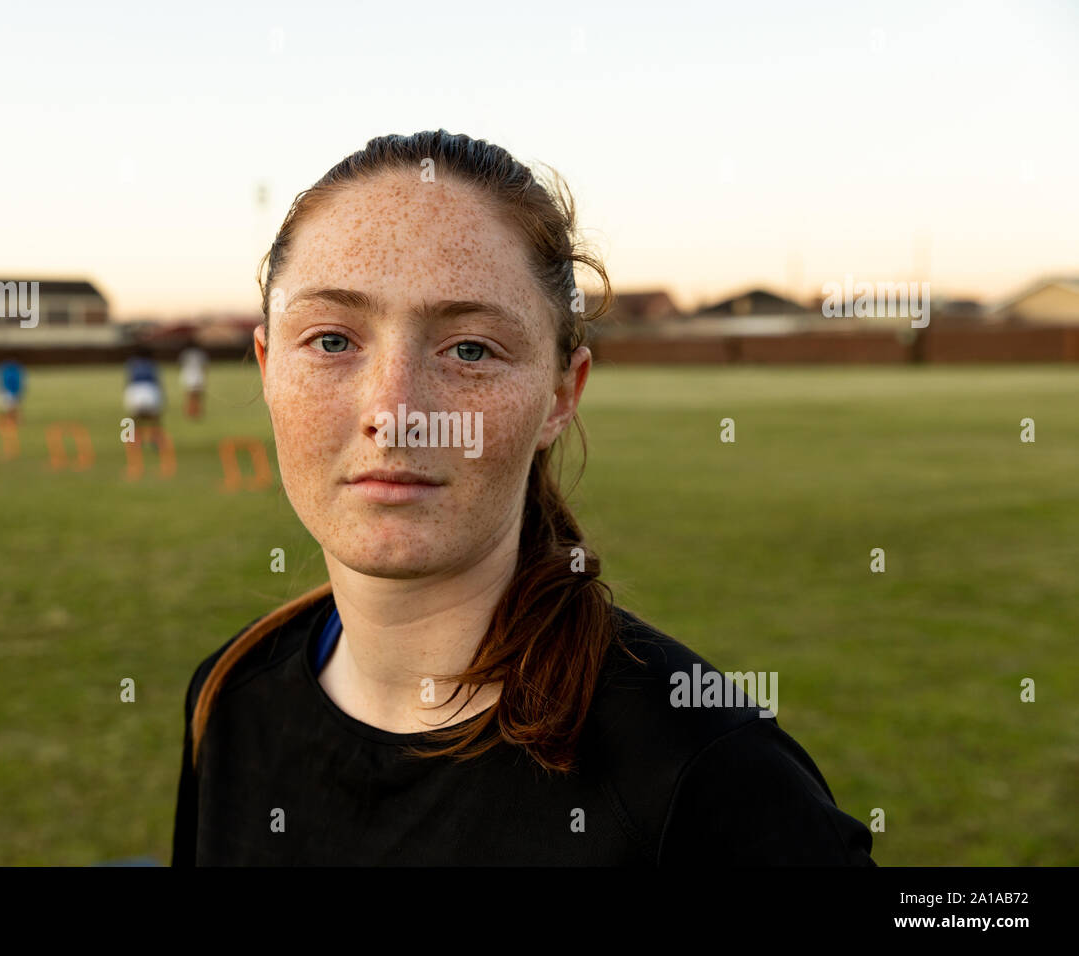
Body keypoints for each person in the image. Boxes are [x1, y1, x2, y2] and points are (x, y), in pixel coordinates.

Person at [172, 130, 876, 866]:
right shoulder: (230, 695)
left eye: (470, 349)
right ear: (265, 368)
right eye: (330, 341)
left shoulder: (705, 777)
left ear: (559, 396)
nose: (396, 411)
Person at [123, 346, 164, 444]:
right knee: (154, 417)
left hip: (135, 390)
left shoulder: (132, 363)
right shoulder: (152, 364)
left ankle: (135, 439)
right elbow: (157, 381)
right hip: (150, 390)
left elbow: (128, 380)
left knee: (135, 416)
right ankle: (155, 438)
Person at [177, 345, 207, 419]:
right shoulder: (200, 353)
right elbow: (205, 365)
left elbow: (180, 364)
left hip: (188, 374)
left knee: (189, 395)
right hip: (197, 374)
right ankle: (195, 412)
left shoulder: (185, 353)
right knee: (197, 395)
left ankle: (190, 411)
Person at [0, 358, 24, 425]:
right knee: (11, 408)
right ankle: (9, 421)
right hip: (8, 392)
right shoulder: (11, 370)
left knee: (10, 408)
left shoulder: (7, 370)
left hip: (7, 392)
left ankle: (10, 421)